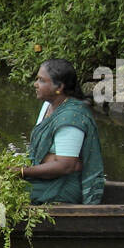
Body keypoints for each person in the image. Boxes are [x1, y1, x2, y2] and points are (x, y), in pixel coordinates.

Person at [19, 58, 105, 204]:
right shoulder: (48, 105)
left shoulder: (71, 117)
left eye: (41, 80)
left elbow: (65, 166)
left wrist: (21, 171)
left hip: (62, 186)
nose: (35, 84)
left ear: (59, 87)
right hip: (45, 178)